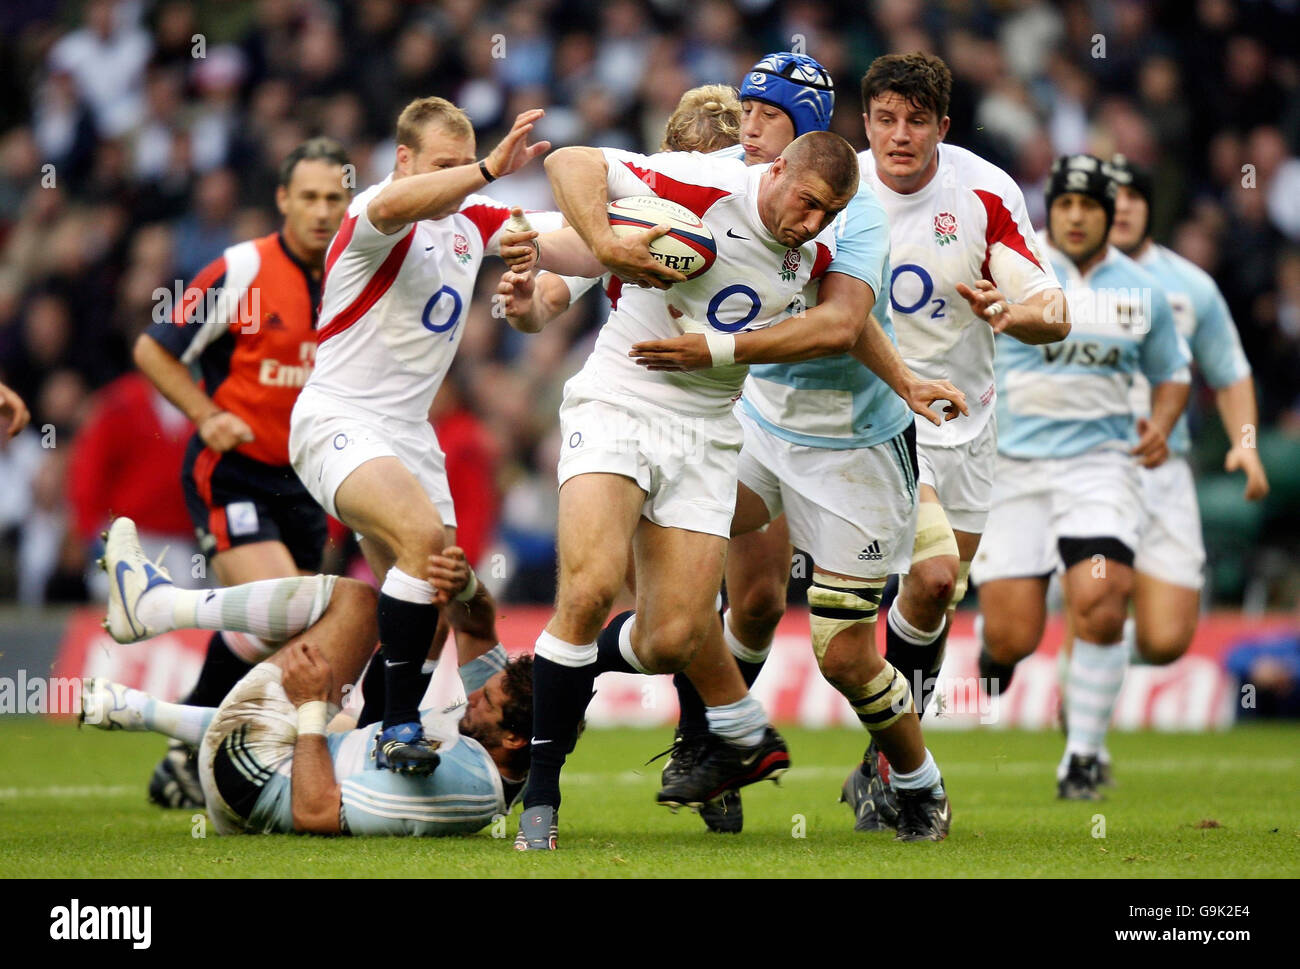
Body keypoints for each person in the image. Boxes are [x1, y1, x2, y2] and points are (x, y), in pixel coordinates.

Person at [510, 114, 871, 849]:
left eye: (827, 213)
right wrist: (608, 246)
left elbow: (847, 325)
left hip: (708, 429)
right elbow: (573, 162)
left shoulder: (824, 245)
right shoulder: (699, 185)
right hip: (620, 399)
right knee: (588, 588)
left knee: (675, 634)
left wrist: (912, 378)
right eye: (804, 201)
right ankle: (540, 803)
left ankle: (552, 678)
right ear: (774, 173)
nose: (811, 222)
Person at [828, 52, 1068, 829]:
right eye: (886, 120)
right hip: (874, 418)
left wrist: (1014, 313)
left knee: (933, 597)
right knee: (931, 577)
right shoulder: (836, 186)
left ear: (943, 127)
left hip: (968, 420)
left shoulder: (985, 190)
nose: (901, 136)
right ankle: (907, 770)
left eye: (917, 121)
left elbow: (1049, 307)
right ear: (865, 123)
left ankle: (883, 759)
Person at [286, 97, 555, 775]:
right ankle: (399, 725)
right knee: (425, 545)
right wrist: (491, 168)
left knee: (435, 604)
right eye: (445, 165)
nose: (459, 178)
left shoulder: (469, 225)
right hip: (338, 418)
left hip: (409, 437)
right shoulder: (374, 213)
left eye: (464, 164)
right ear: (404, 161)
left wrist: (625, 245)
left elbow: (556, 234)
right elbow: (411, 201)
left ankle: (367, 737)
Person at [130, 137, 352, 808]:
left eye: (334, 198)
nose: (321, 211)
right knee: (287, 612)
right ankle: (211, 742)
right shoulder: (243, 268)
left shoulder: (354, 274)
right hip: (233, 474)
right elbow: (153, 348)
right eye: (307, 197)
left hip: (310, 481)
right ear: (282, 199)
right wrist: (204, 414)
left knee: (281, 626)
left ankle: (184, 749)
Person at [84, 516, 532, 836]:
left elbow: (315, 812)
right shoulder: (511, 726)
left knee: (353, 606)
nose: (471, 697)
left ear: (513, 740)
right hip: (256, 772)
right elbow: (473, 626)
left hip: (253, 778)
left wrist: (312, 706)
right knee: (428, 618)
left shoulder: (462, 786)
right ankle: (136, 710)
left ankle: (156, 607)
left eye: (485, 703)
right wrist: (467, 585)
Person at [971, 155, 1191, 800]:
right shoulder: (1016, 272)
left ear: (1106, 214)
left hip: (1100, 468)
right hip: (1011, 468)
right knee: (1016, 634)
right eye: (1064, 205)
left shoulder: (1140, 291)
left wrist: (1161, 420)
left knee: (1101, 599)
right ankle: (996, 650)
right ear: (1049, 210)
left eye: (1089, 206)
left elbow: (1172, 370)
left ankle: (1083, 756)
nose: (1074, 217)